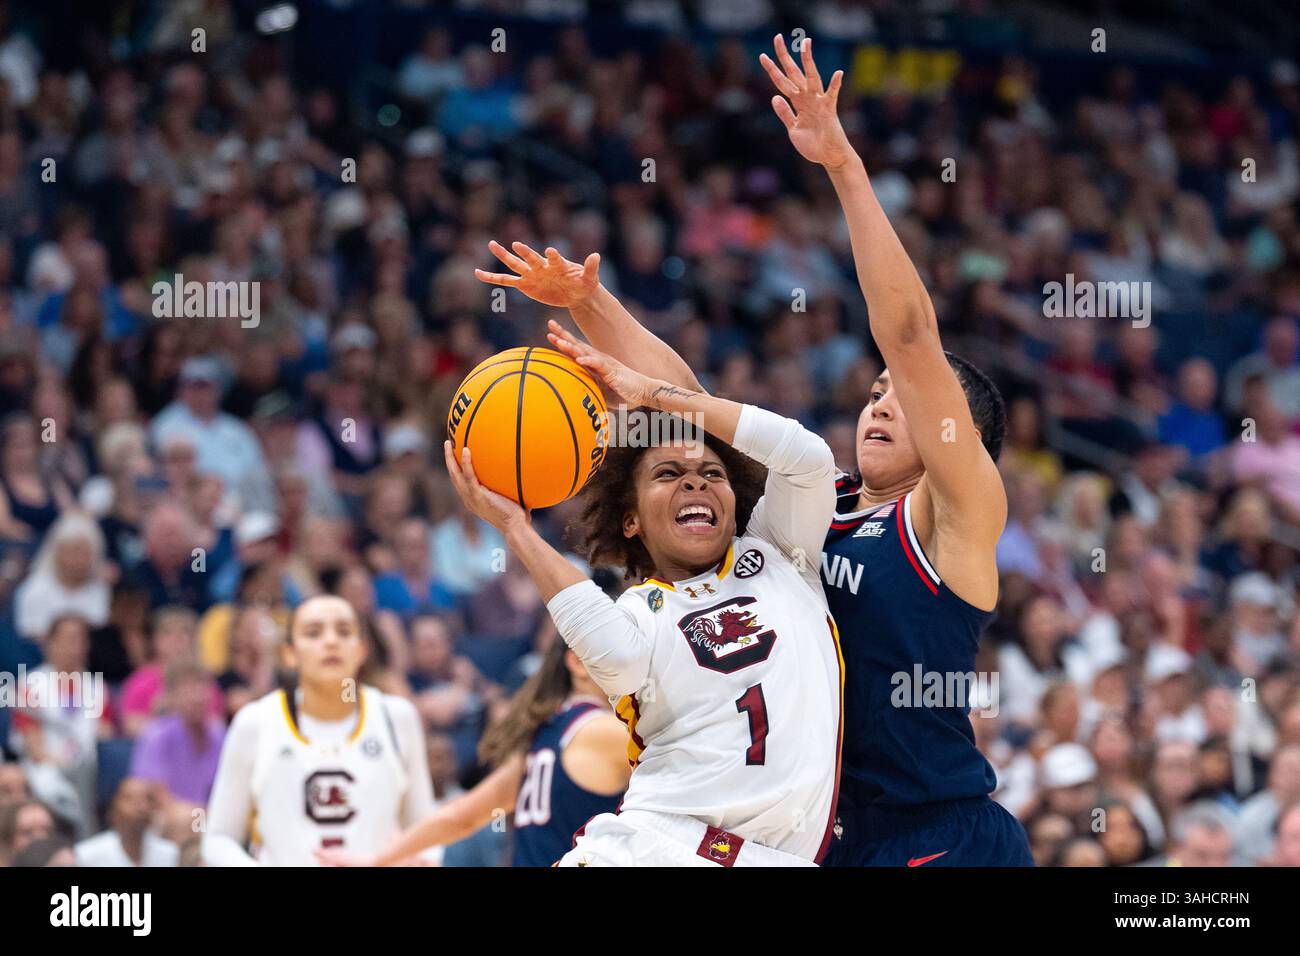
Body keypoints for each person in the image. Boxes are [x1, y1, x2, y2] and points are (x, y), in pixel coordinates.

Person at [475, 38, 1031, 867]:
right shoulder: (819, 505)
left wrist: (843, 166)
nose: (881, 402)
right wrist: (592, 306)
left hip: (941, 832)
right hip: (822, 842)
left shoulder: (954, 518)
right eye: (873, 391)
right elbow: (698, 413)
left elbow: (911, 336)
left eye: (903, 397)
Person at [435, 329, 842, 866]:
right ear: (630, 520)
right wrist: (516, 529)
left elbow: (808, 459)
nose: (695, 482)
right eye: (669, 474)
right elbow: (618, 657)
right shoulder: (643, 610)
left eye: (712, 473)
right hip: (659, 846)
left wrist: (655, 397)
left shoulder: (778, 551)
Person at [318, 637, 630, 867]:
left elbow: (461, 817)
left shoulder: (544, 734)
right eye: (622, 652)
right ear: (577, 662)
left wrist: (377, 860)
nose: (636, 664)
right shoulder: (606, 732)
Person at [201, 594, 438, 866]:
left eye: (344, 631)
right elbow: (218, 839)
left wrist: (420, 861)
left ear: (362, 650)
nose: (331, 641)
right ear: (289, 653)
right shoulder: (256, 722)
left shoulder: (397, 718)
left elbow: (426, 829)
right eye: (313, 633)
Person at [74, 777, 179, 866]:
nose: (141, 807)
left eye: (148, 799)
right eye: (130, 799)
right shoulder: (87, 855)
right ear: (113, 810)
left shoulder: (170, 854)